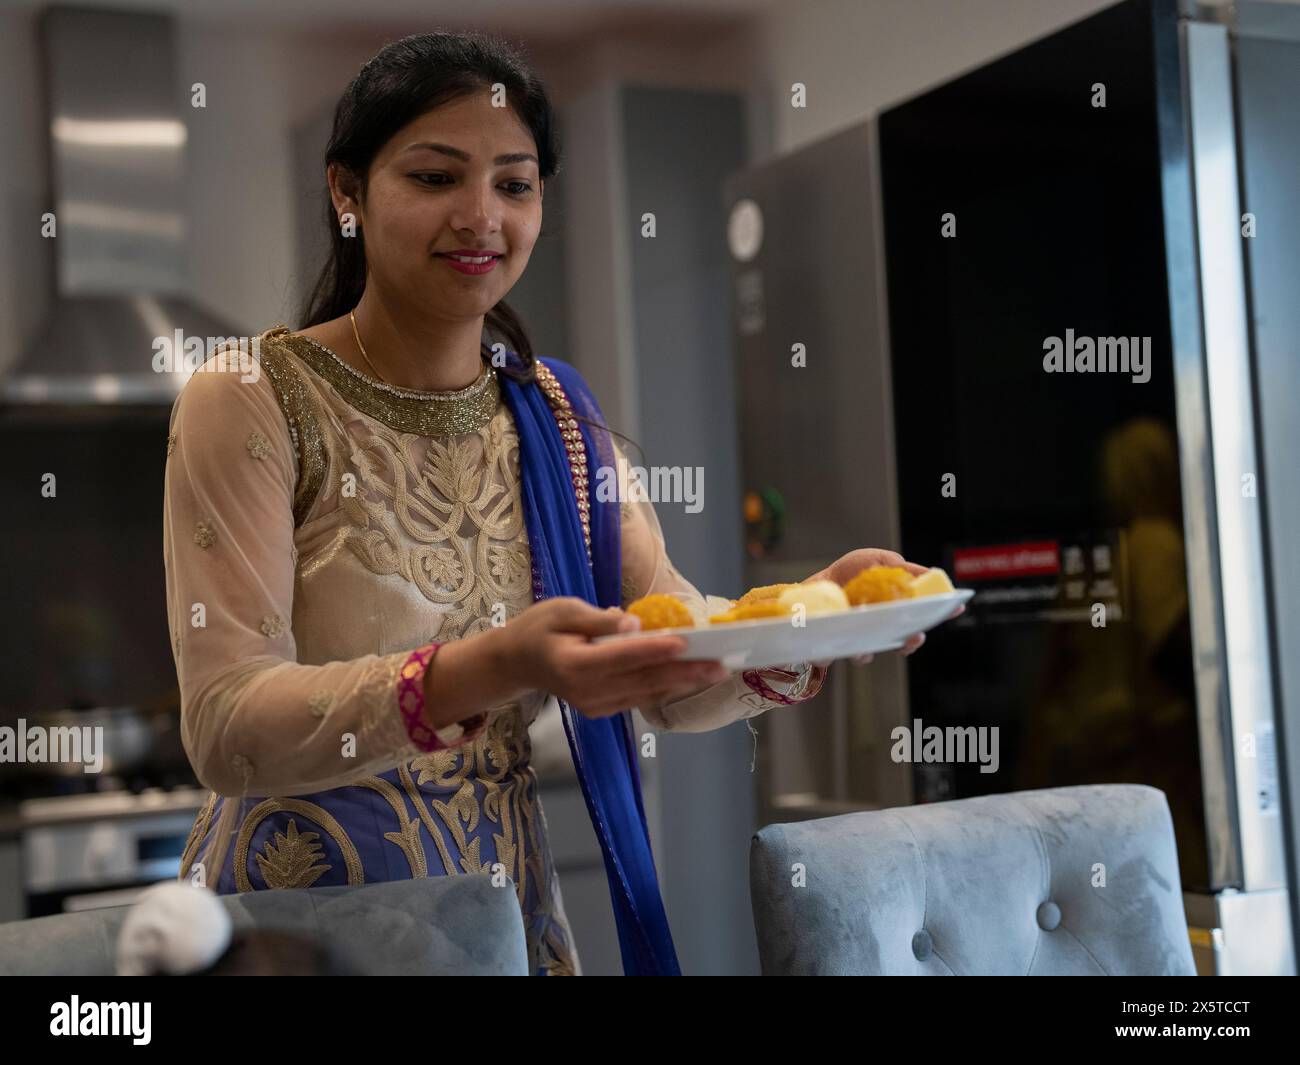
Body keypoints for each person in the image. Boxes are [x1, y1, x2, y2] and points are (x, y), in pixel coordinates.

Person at [163, 30, 927, 976]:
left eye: (514, 184)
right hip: (305, 926)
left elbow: (670, 664)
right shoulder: (252, 396)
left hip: (504, 916)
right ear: (346, 193)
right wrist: (484, 666)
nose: (480, 217)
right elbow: (226, 726)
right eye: (437, 178)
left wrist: (820, 614)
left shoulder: (555, 414)